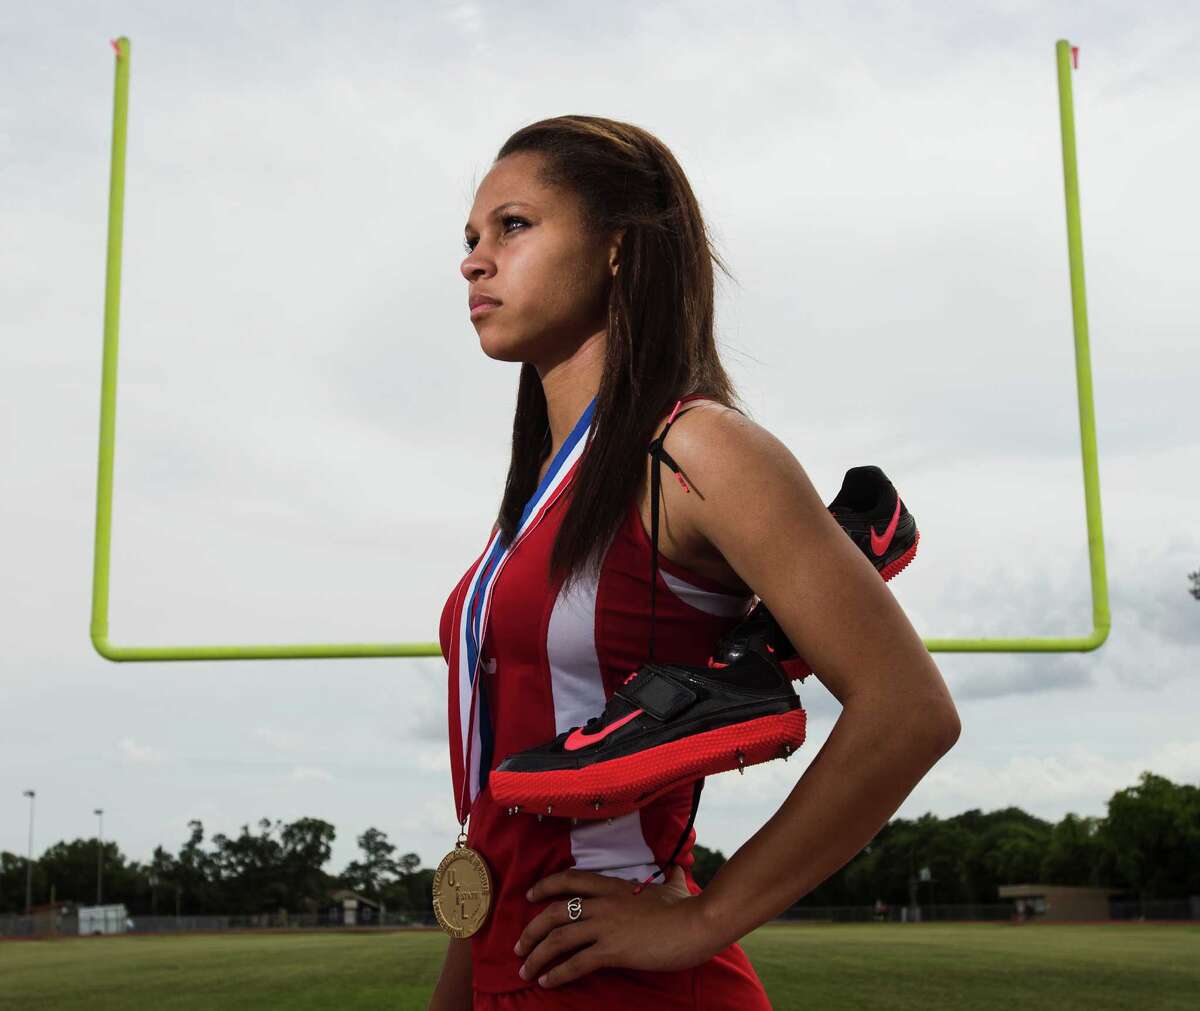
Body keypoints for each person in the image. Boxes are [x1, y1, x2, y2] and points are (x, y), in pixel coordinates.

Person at [429, 116, 961, 1010]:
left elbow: (908, 711)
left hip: (630, 979)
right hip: (516, 965)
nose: (475, 261)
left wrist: (699, 920)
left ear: (617, 251)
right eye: (472, 239)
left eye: (513, 226)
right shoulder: (536, 504)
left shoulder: (698, 447)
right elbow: (502, 811)